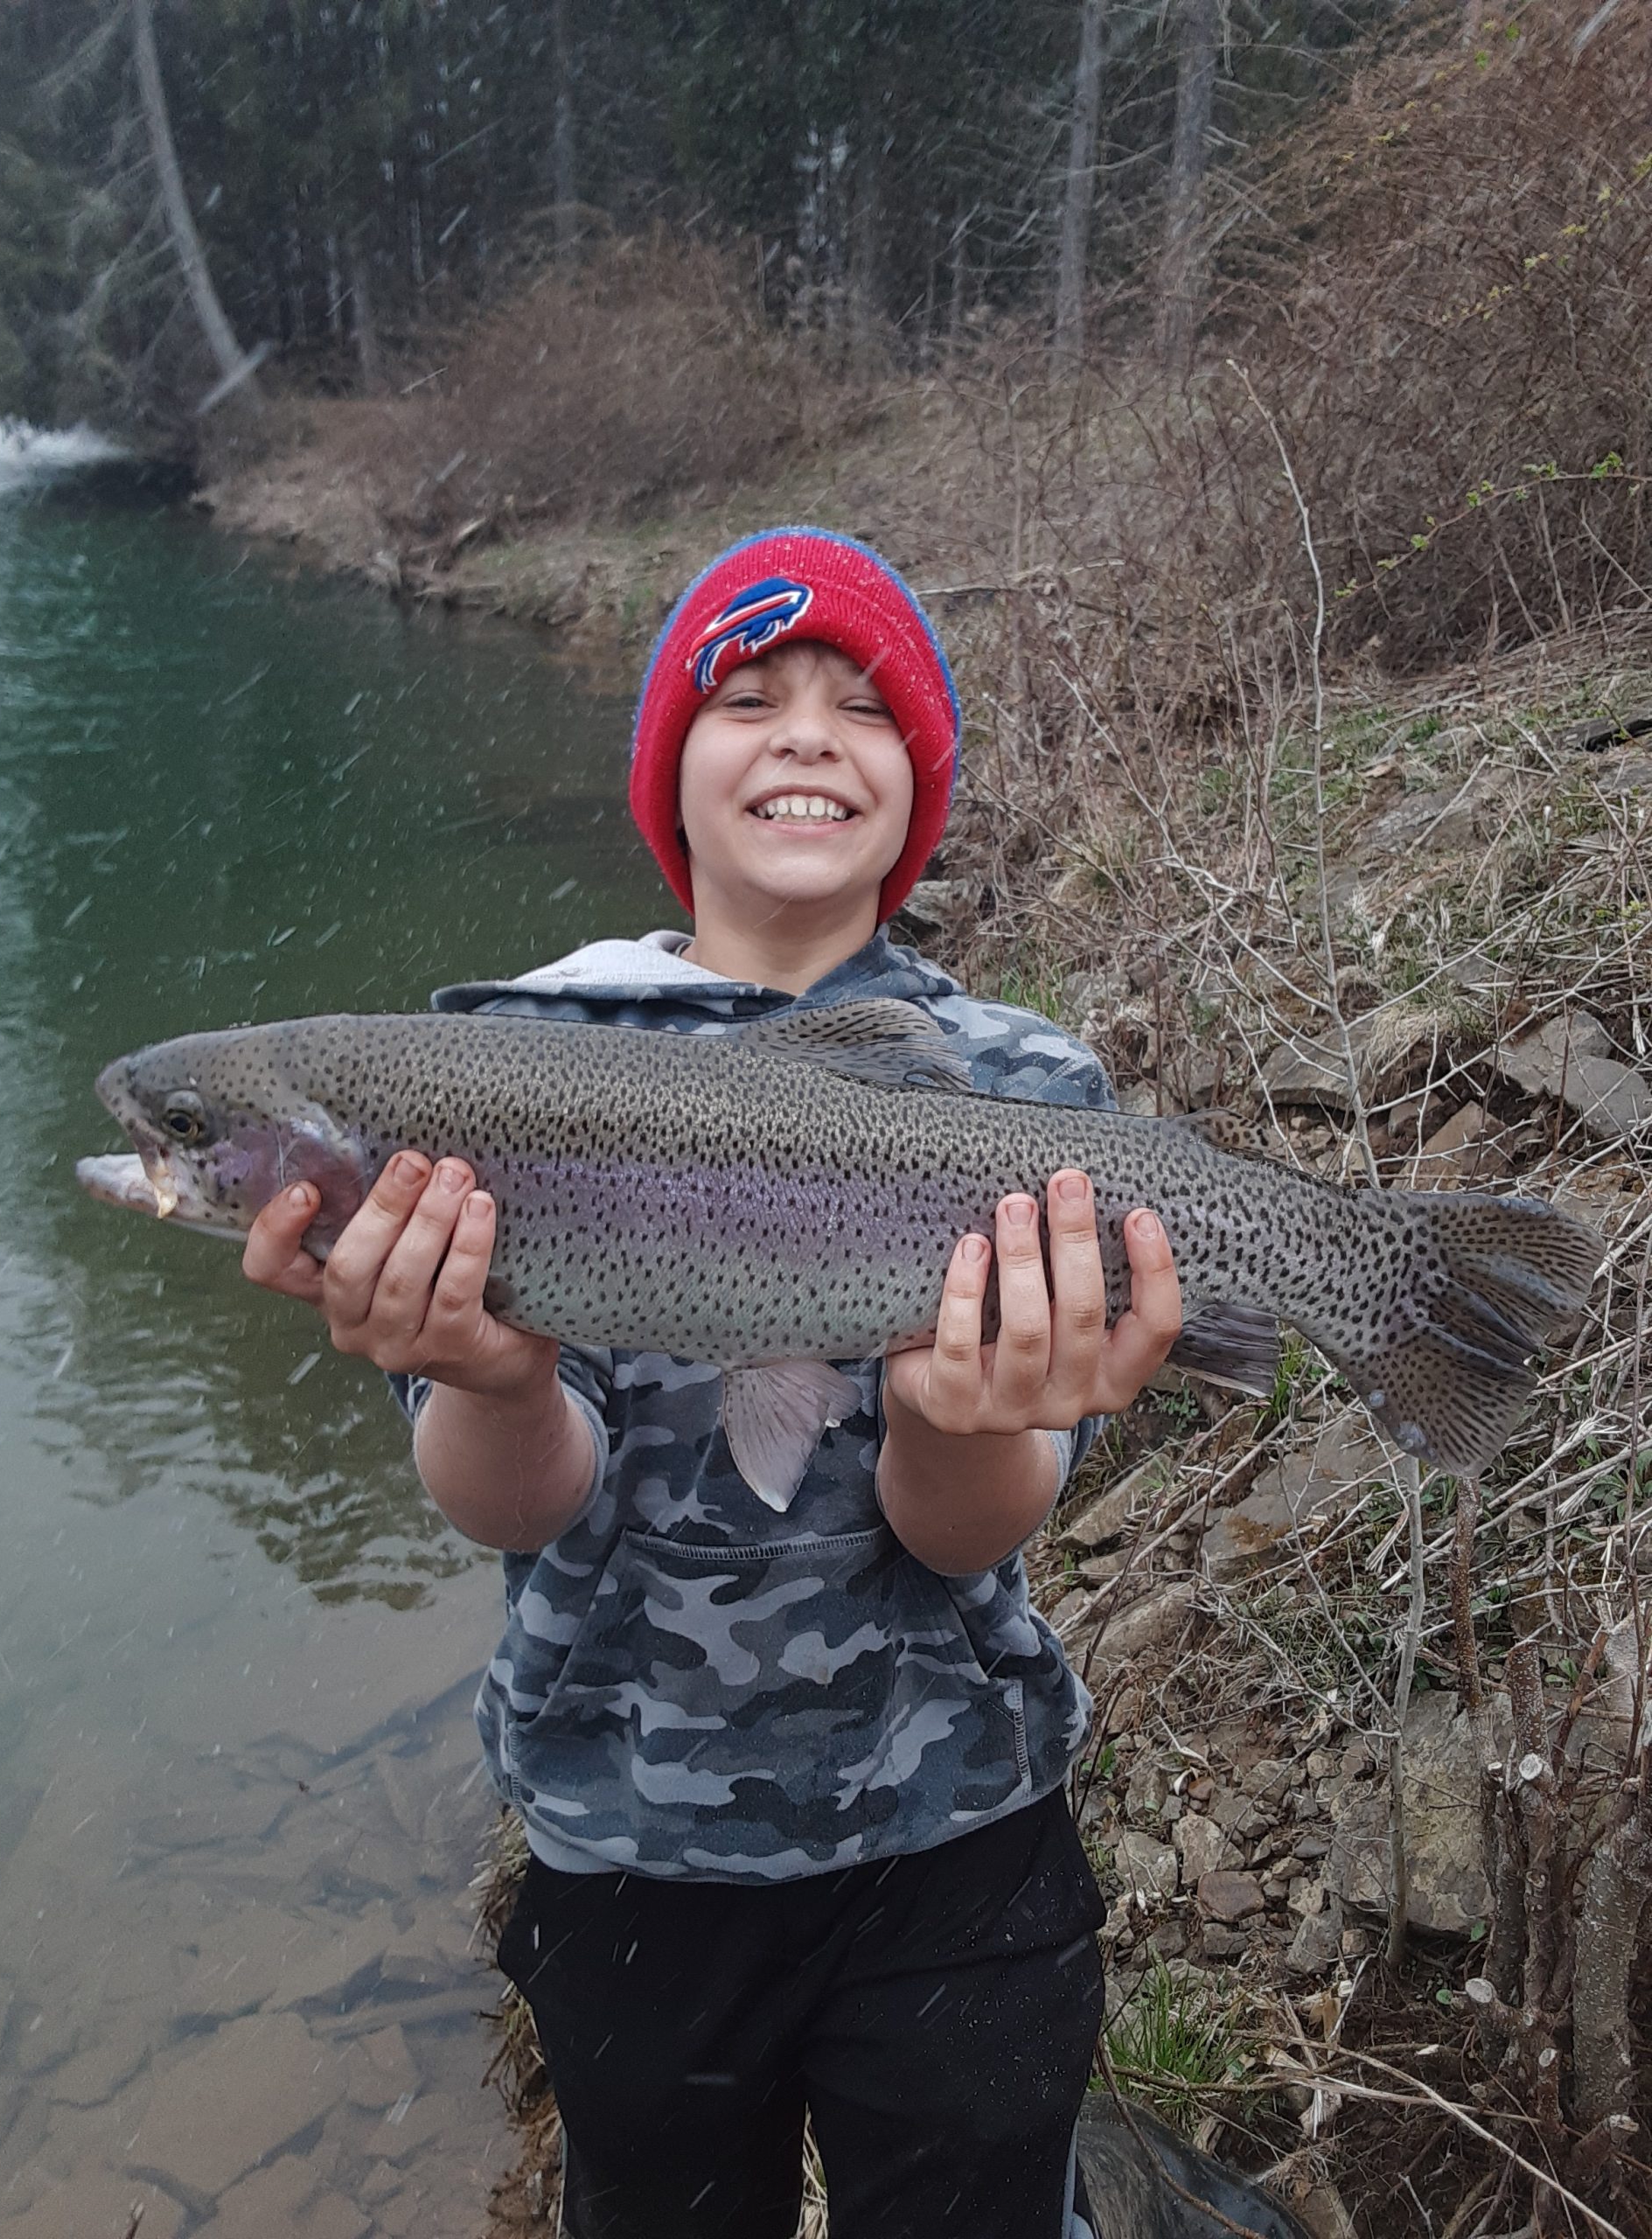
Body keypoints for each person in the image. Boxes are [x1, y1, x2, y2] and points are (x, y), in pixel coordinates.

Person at [241, 527, 1183, 2239]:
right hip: (626, 1843)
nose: (808, 731)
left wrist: (956, 1412)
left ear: (920, 788)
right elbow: (516, 1498)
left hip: (959, 1829)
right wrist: (494, 1372)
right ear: (672, 774)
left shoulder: (1027, 1094)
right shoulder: (509, 1067)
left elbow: (966, 1530)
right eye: (747, 696)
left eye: (863, 705)